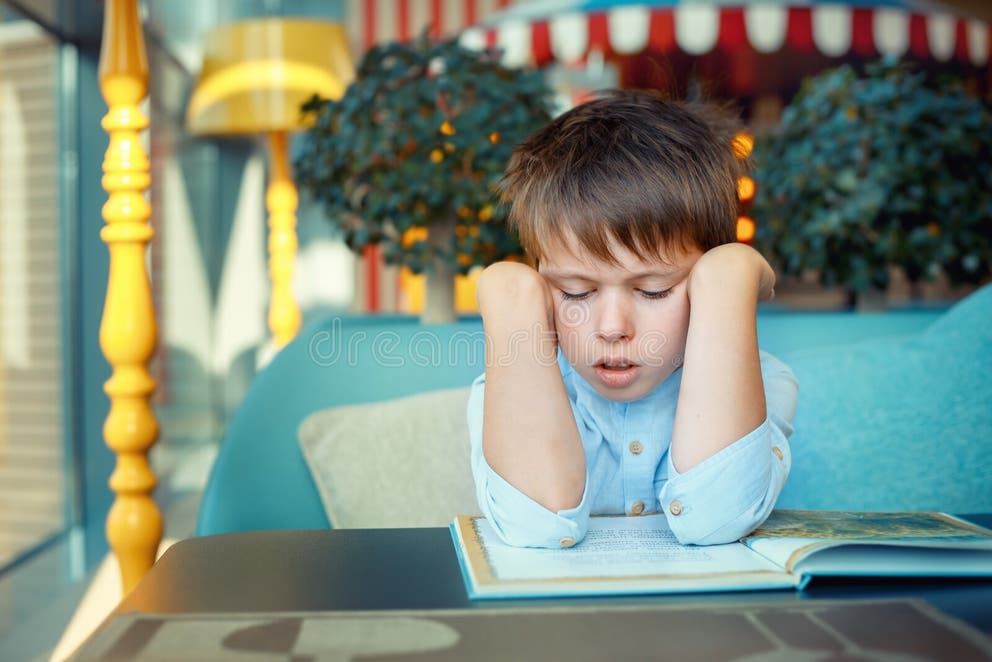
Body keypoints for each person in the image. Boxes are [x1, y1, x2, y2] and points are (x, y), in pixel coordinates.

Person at [467, 89, 798, 548]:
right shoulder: (508, 387)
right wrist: (509, 293)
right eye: (575, 291)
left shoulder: (764, 382)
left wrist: (728, 275)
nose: (612, 327)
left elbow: (716, 519)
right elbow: (536, 526)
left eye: (653, 290)